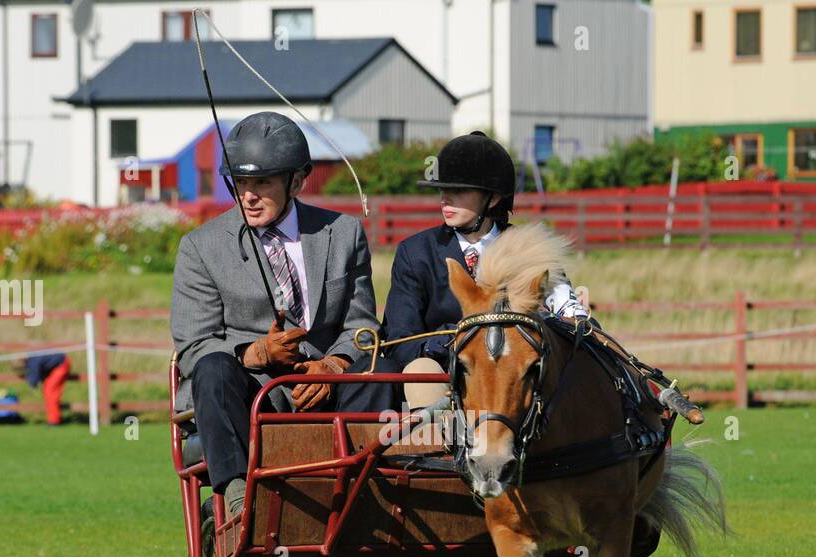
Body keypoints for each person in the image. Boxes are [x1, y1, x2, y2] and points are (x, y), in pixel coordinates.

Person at [170, 112, 400, 517]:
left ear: (296, 181)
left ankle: (362, 490)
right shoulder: (200, 247)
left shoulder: (342, 233)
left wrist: (334, 364)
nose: (249, 196)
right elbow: (194, 343)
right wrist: (257, 353)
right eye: (240, 184)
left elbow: (362, 325)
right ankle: (239, 491)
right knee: (211, 368)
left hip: (329, 388)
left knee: (381, 364)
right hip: (252, 391)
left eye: (262, 183)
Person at [381, 131, 589, 408]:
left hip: (517, 386)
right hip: (445, 381)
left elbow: (571, 315)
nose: (445, 199)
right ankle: (432, 449)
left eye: (459, 191)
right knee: (420, 371)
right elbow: (400, 343)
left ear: (492, 199)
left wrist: (576, 319)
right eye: (443, 190)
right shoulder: (414, 253)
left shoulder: (527, 248)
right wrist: (460, 338)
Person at [16, 351, 71, 425]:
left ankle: (54, 421)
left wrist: (26, 378)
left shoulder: (33, 361)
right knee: (48, 391)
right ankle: (53, 419)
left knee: (50, 391)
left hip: (61, 365)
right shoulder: (32, 358)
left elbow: (33, 381)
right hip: (59, 364)